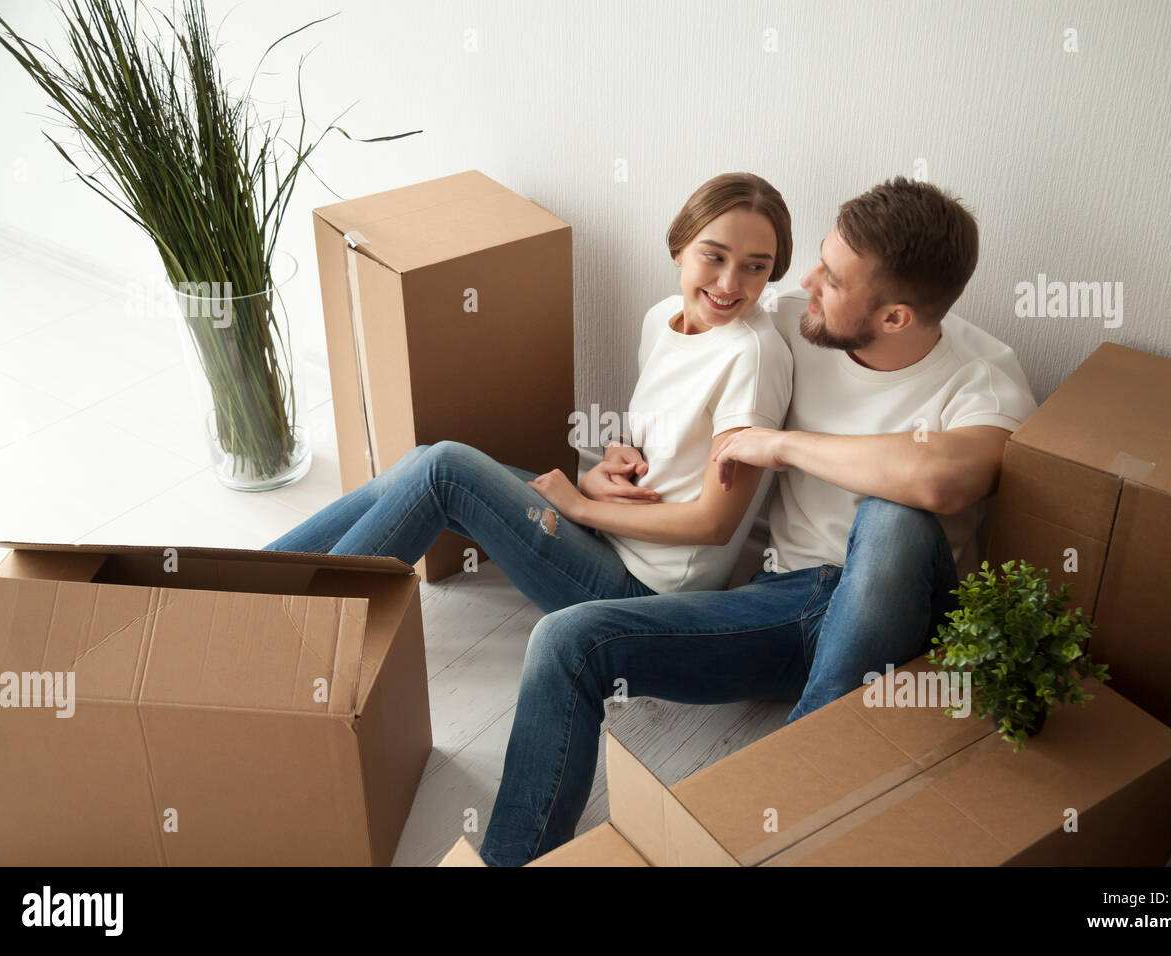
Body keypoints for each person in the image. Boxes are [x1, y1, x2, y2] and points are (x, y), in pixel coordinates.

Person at [478, 176, 1039, 866]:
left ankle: (790, 787)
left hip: (896, 615)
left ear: (893, 317)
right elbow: (687, 340)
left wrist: (781, 445)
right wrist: (613, 462)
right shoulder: (796, 319)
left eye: (831, 277)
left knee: (895, 516)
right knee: (566, 639)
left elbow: (942, 479)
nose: (804, 281)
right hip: (785, 600)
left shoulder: (983, 379)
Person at [262, 172, 794, 615]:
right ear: (680, 248)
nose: (730, 284)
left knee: (445, 469)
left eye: (756, 266)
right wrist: (605, 467)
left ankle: (299, 623)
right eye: (715, 256)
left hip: (646, 593)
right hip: (609, 540)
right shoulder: (662, 319)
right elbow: (649, 452)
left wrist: (581, 508)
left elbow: (715, 524)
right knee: (423, 462)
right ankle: (246, 586)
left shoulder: (753, 357)